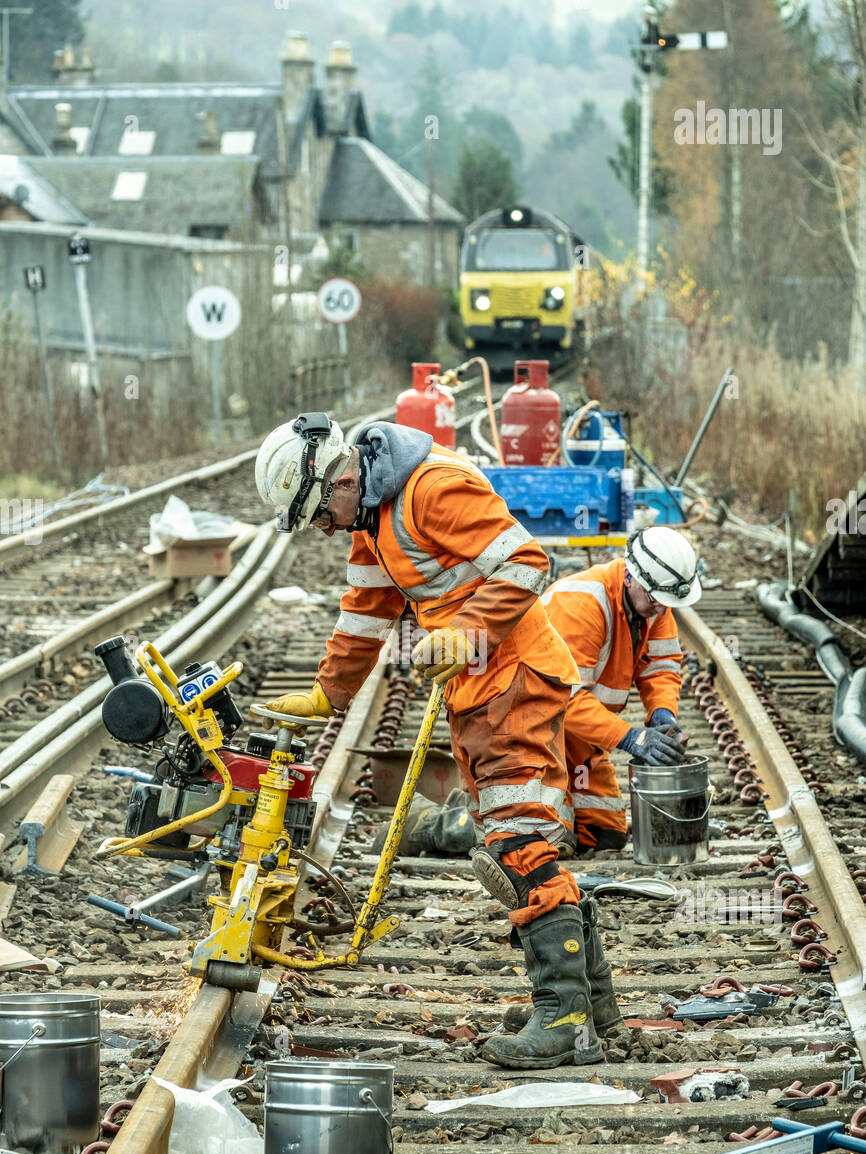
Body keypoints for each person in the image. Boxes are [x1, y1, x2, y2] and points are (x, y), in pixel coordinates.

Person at [254, 412, 624, 1068]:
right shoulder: (371, 515)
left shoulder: (433, 486)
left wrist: (467, 632)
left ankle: (564, 1021)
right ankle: (591, 1013)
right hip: (477, 689)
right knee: (507, 847)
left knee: (516, 845)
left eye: (318, 515)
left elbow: (526, 560)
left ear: (336, 480)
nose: (325, 528)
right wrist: (329, 693)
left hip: (516, 680)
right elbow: (365, 611)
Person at [542, 526, 702, 857]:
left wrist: (662, 713)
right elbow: (563, 698)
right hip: (534, 730)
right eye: (656, 601)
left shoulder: (654, 601)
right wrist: (630, 737)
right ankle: (456, 822)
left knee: (606, 835)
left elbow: (661, 666)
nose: (661, 611)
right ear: (629, 576)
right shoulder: (583, 603)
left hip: (578, 736)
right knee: (547, 840)